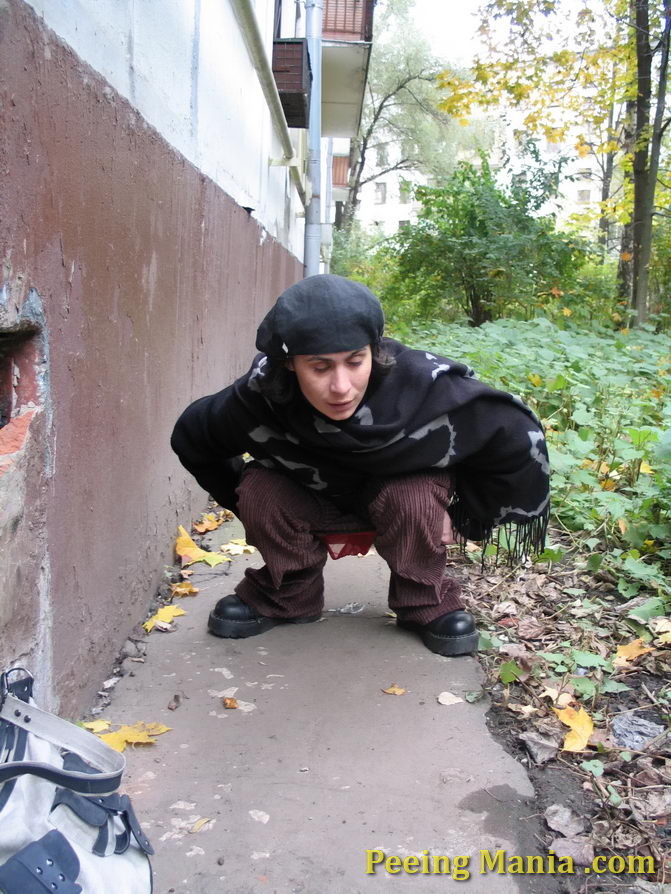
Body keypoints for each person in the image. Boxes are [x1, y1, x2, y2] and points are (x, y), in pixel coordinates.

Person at [171, 274, 550, 656]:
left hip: (398, 504)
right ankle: (286, 594)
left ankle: (423, 599)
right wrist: (243, 501)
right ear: (289, 365)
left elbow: (517, 436)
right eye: (319, 368)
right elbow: (191, 437)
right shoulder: (257, 398)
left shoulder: (424, 386)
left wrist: (469, 515)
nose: (341, 387)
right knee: (259, 490)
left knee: (414, 494)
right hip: (308, 500)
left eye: (355, 362)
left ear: (374, 350)